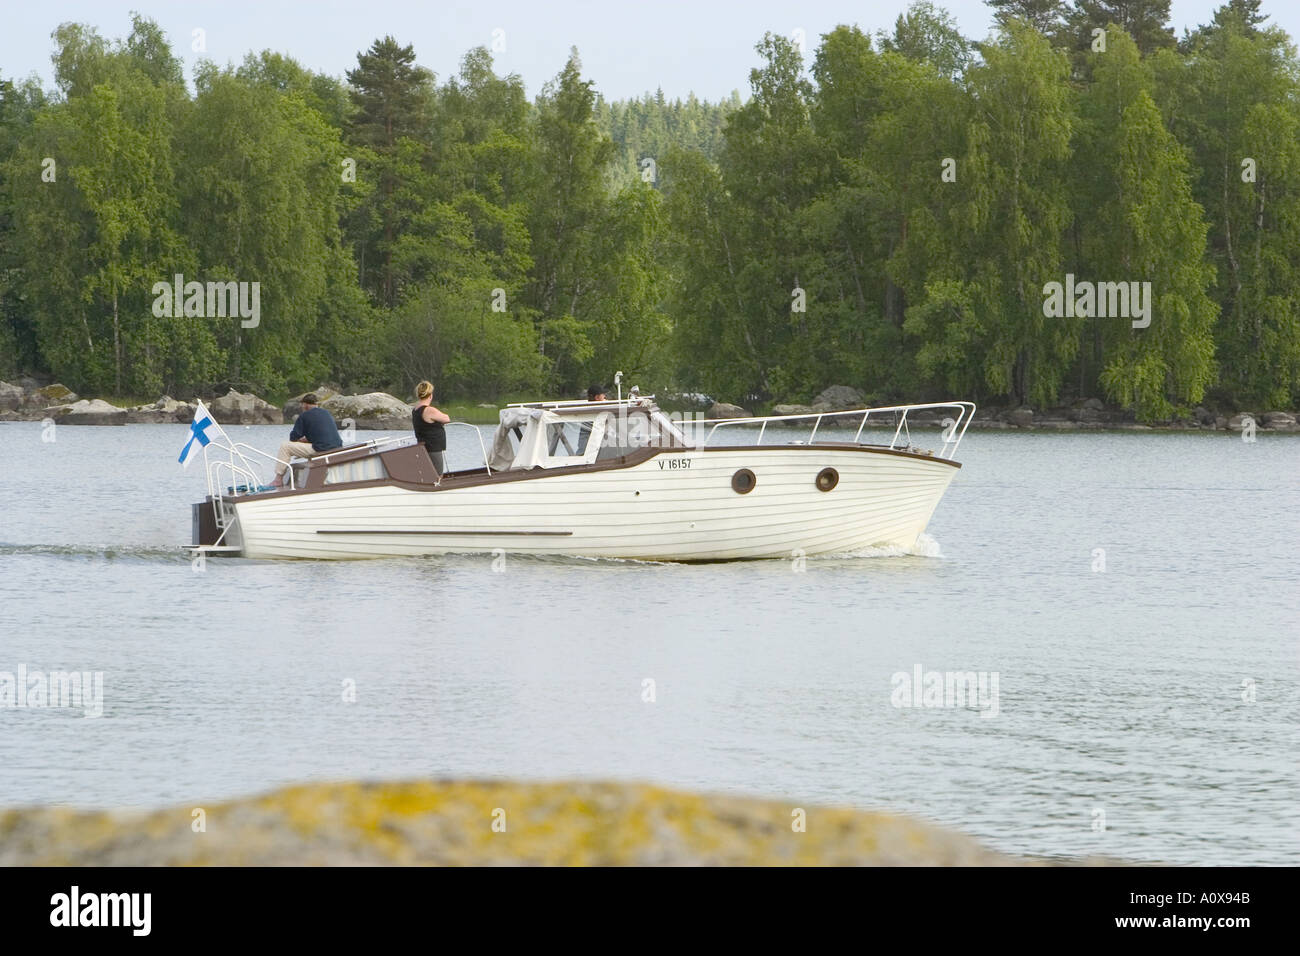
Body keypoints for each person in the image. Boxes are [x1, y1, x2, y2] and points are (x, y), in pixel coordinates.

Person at [270, 393, 342, 488]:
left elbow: (293, 438)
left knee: (285, 446)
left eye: (302, 405)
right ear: (316, 404)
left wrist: (302, 440)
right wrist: (308, 439)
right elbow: (323, 434)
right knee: (313, 446)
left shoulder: (305, 416)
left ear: (305, 405)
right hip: (337, 447)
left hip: (321, 448)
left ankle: (278, 479)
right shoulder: (326, 413)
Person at [412, 380, 450, 473]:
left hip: (423, 446)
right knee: (438, 473)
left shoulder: (415, 409)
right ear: (430, 395)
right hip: (433, 448)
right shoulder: (429, 410)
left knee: (428, 472)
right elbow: (446, 418)